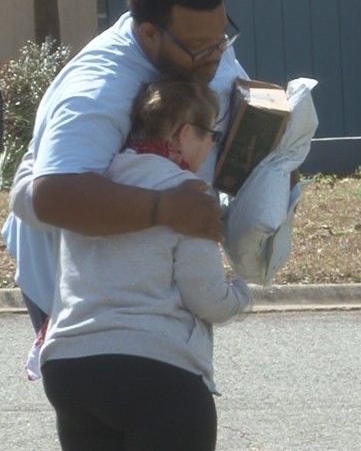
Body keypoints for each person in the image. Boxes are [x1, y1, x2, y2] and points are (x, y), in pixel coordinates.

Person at [0, 0, 248, 356]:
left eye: (221, 39)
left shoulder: (200, 46)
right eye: (200, 48)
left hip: (148, 291)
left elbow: (234, 92)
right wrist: (167, 209)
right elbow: (53, 197)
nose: (215, 57)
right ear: (149, 33)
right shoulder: (99, 91)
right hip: (76, 306)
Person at [39, 75, 252, 451]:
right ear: (185, 133)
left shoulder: (92, 180)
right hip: (154, 370)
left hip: (70, 367)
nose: (209, 148)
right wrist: (244, 292)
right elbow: (206, 297)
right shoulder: (188, 195)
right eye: (210, 136)